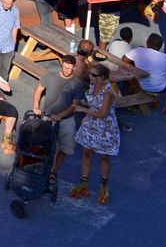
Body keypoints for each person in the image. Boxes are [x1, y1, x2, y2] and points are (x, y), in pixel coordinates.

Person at [68, 63, 120, 204]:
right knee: (86, 153)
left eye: (94, 75)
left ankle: (104, 185)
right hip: (91, 125)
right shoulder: (93, 86)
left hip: (105, 129)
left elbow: (103, 114)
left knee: (103, 157)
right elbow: (92, 106)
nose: (90, 77)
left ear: (102, 77)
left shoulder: (108, 93)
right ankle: (84, 182)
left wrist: (82, 110)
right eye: (90, 74)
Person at [32, 54, 86, 188]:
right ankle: (40, 166)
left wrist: (60, 115)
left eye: (70, 68)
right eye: (65, 67)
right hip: (48, 117)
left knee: (64, 148)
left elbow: (75, 105)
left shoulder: (77, 84)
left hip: (66, 120)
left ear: (74, 68)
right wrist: (36, 106)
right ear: (62, 64)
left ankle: (53, 172)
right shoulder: (50, 77)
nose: (67, 70)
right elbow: (39, 90)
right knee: (43, 145)